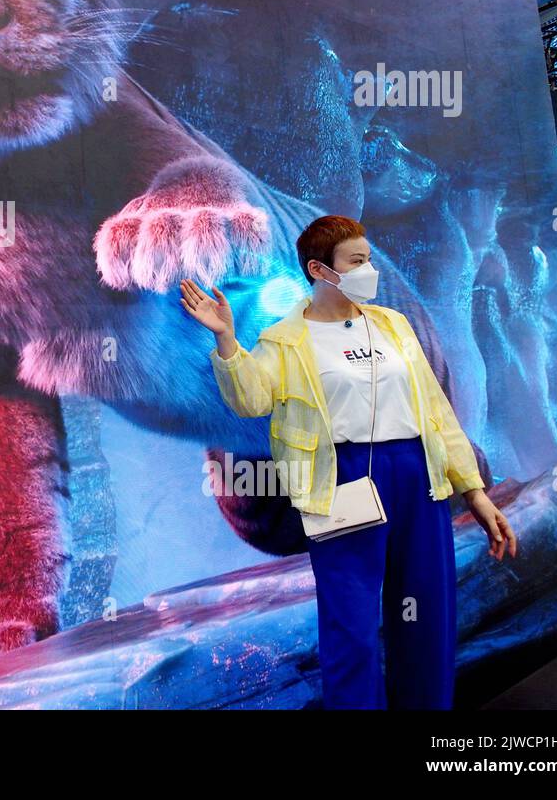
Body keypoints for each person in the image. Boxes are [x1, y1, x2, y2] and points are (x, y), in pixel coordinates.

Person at [180, 214, 516, 710]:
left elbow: (437, 411)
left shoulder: (393, 326)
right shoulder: (285, 338)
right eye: (357, 261)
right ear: (320, 269)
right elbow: (250, 399)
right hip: (342, 480)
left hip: (417, 475)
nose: (369, 269)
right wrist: (227, 341)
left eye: (369, 258)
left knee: (424, 617)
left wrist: (474, 491)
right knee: (350, 626)